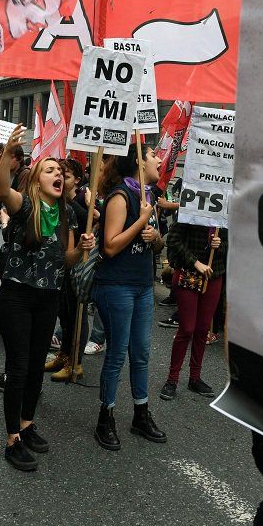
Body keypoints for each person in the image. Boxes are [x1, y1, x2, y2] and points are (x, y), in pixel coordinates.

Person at [0, 128, 94, 471]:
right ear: (36, 181)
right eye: (49, 170)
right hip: (18, 296)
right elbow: (2, 188)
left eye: (60, 172)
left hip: (48, 296)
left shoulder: (69, 214)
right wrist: (8, 153)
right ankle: (11, 440)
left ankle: (26, 423)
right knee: (19, 366)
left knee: (36, 364)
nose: (58, 174)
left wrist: (80, 251)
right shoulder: (25, 205)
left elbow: (64, 263)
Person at [92, 148, 167, 451]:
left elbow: (158, 241)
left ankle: (141, 413)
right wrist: (140, 224)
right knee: (117, 354)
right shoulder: (120, 197)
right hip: (117, 286)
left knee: (141, 354)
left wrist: (154, 237)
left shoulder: (148, 196)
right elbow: (110, 246)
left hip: (142, 286)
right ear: (138, 160)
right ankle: (105, 418)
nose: (159, 159)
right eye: (152, 154)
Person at [159, 222, 226, 401]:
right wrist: (195, 262)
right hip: (188, 272)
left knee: (203, 329)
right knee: (187, 328)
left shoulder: (226, 212)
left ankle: (195, 378)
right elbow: (173, 240)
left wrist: (220, 246)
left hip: (214, 275)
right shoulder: (190, 205)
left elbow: (232, 248)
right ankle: (172, 379)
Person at [47, 159, 92, 382]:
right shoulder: (57, 202)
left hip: (77, 265)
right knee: (63, 313)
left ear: (76, 180)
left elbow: (92, 223)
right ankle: (64, 355)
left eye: (65, 176)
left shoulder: (80, 203)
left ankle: (76, 362)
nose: (60, 180)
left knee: (77, 315)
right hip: (60, 266)